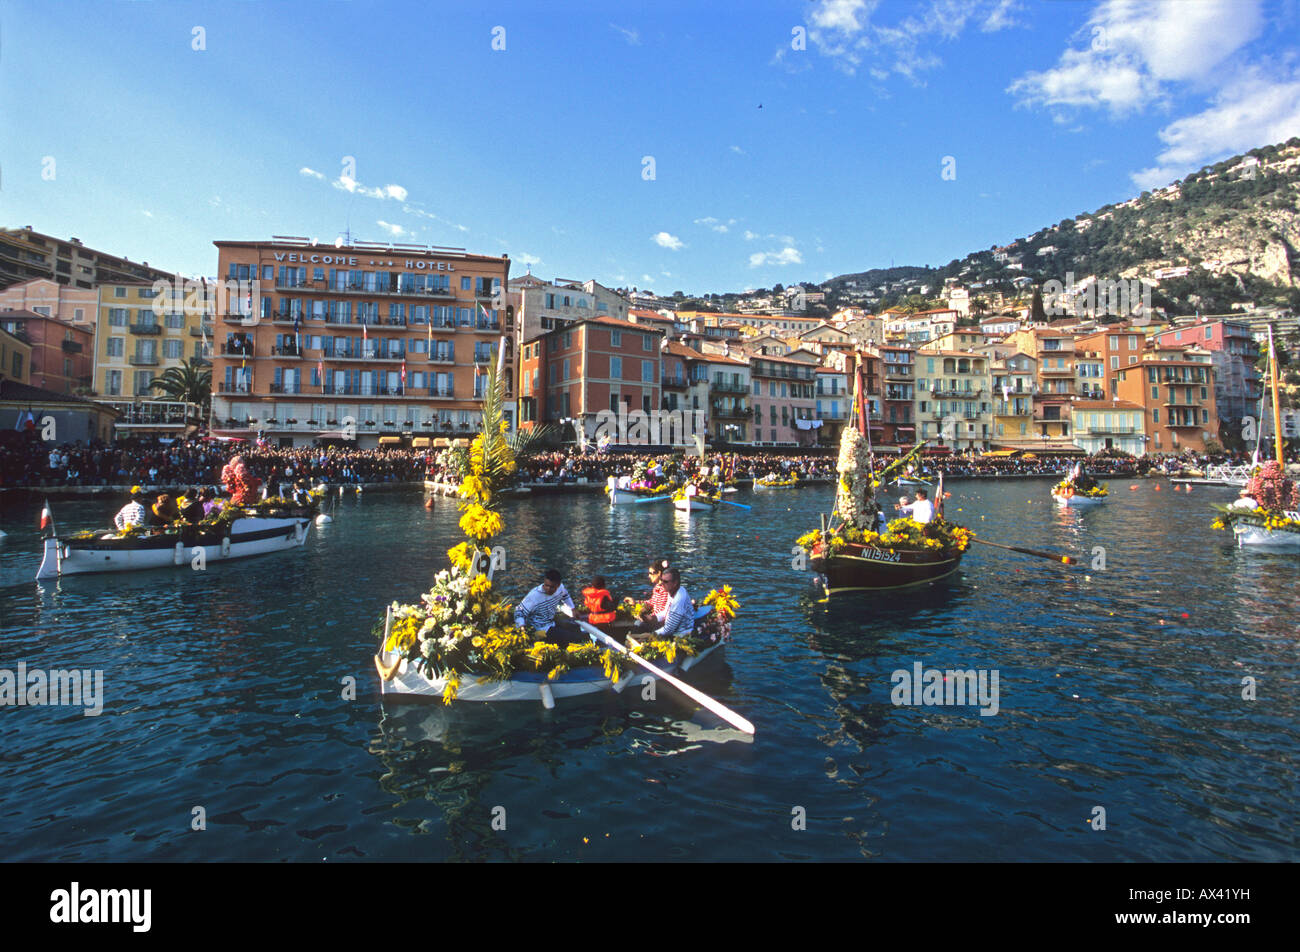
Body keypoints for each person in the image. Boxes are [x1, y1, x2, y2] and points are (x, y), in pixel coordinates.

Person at [514, 569, 579, 642]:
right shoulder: (534, 596)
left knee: (576, 628)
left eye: (552, 587)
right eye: (546, 585)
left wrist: (573, 609)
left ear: (558, 585)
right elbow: (519, 612)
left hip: (551, 622)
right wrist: (522, 628)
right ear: (544, 582)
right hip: (540, 630)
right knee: (573, 638)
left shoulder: (561, 588)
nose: (548, 589)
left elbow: (565, 596)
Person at [642, 567, 694, 638]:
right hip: (672, 629)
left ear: (675, 583)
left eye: (665, 582)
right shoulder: (672, 591)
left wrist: (651, 635)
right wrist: (653, 618)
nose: (662, 584)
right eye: (661, 580)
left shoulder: (679, 599)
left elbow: (668, 629)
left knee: (643, 632)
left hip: (680, 635)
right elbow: (666, 612)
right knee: (642, 625)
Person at [639, 558, 672, 623]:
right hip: (655, 619)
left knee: (638, 624)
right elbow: (652, 602)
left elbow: (661, 612)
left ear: (659, 573)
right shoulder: (657, 587)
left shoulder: (665, 590)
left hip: (660, 623)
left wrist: (648, 617)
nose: (649, 576)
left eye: (650, 573)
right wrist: (636, 603)